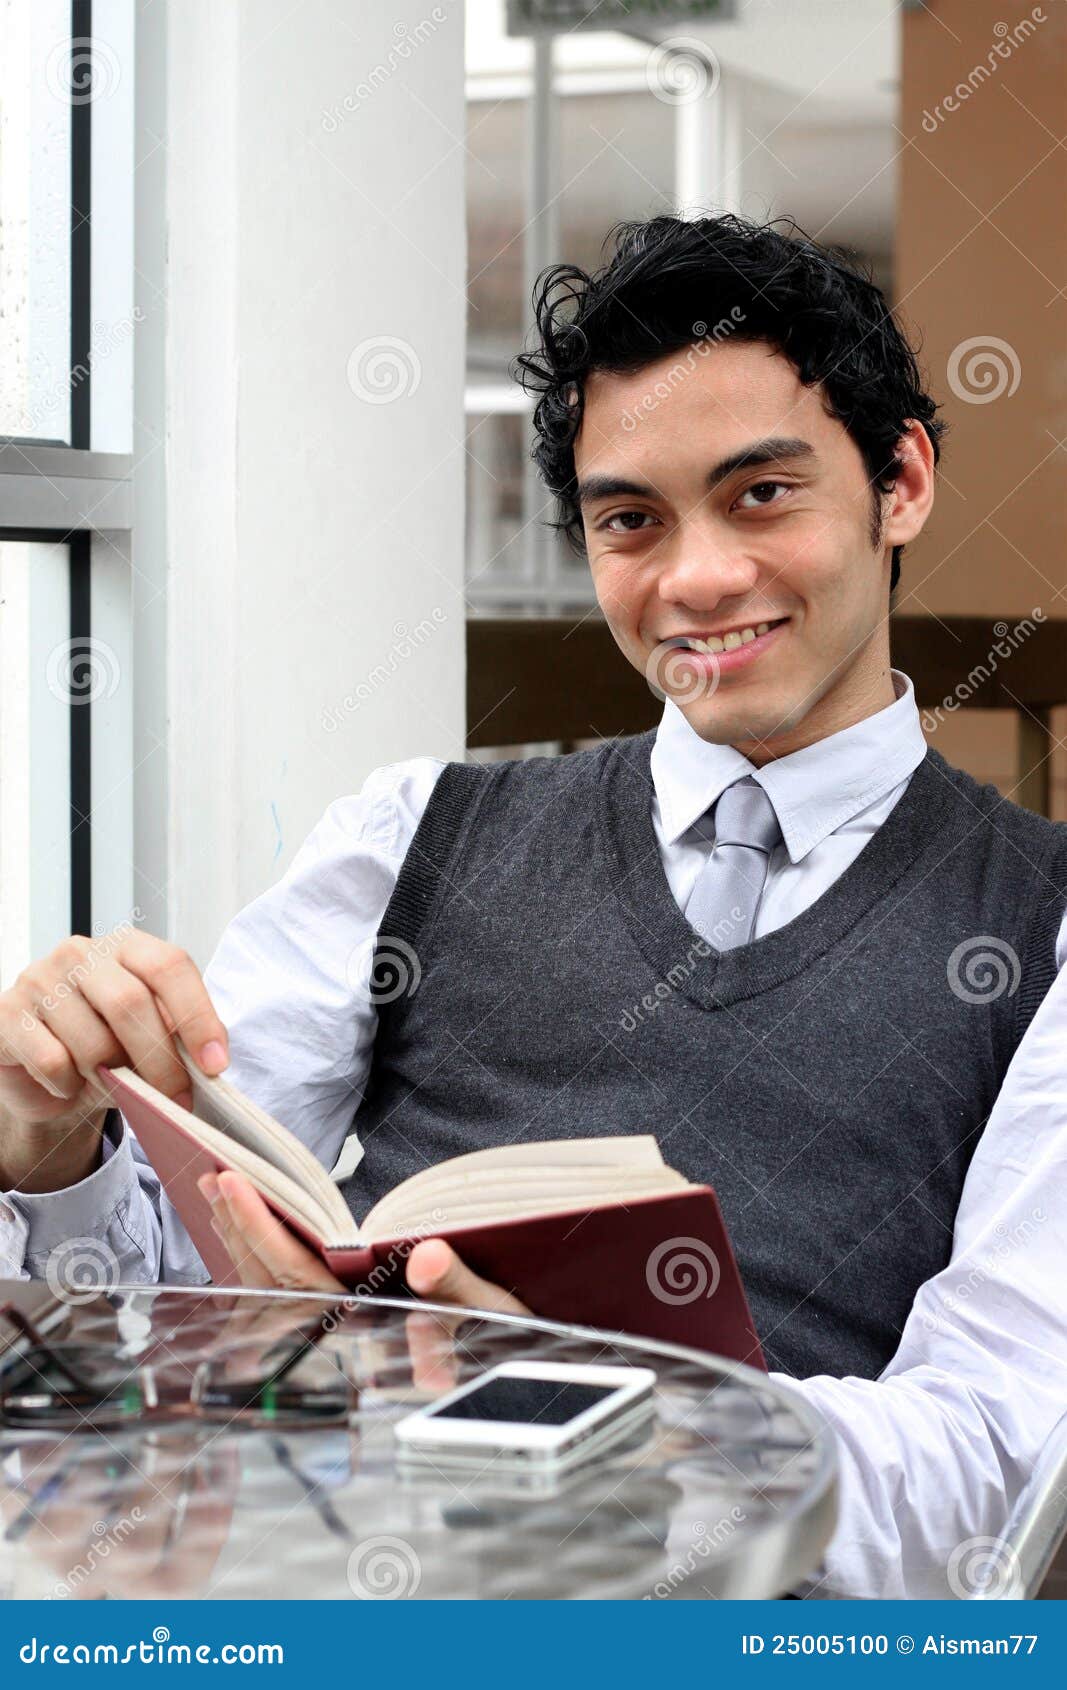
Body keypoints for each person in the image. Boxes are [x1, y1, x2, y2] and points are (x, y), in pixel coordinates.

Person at [2, 214, 1065, 1599]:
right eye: (633, 520)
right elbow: (138, 1320)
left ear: (902, 480)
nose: (695, 579)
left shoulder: (1042, 927)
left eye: (760, 495)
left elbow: (997, 1472)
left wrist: (592, 1406)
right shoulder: (410, 834)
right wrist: (47, 1148)